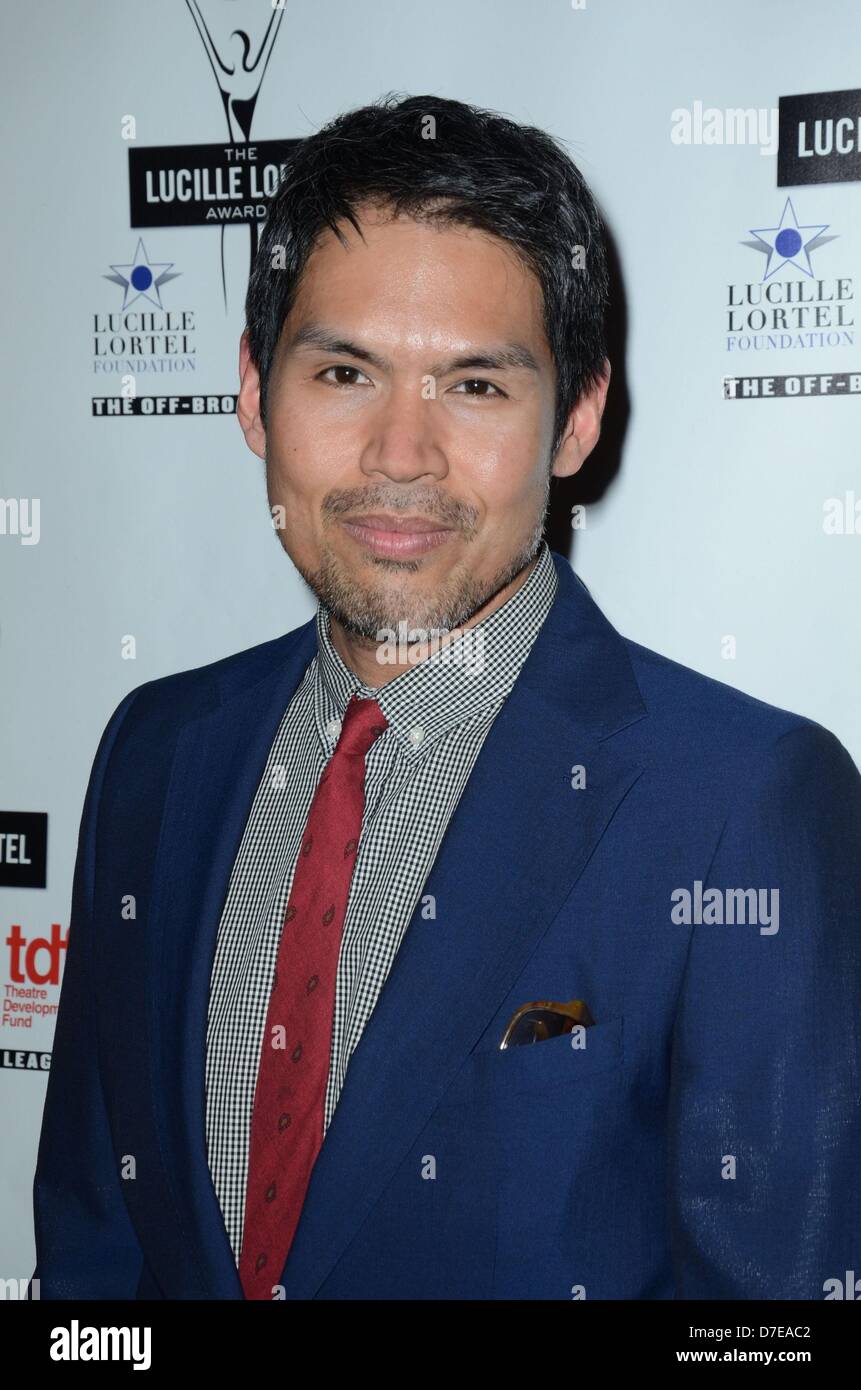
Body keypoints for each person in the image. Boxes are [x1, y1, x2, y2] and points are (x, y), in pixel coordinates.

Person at [30, 92, 861, 1301]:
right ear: (257, 394)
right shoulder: (154, 752)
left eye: (475, 386)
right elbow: (96, 1261)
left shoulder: (742, 800)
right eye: (345, 370)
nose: (401, 455)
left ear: (575, 419)